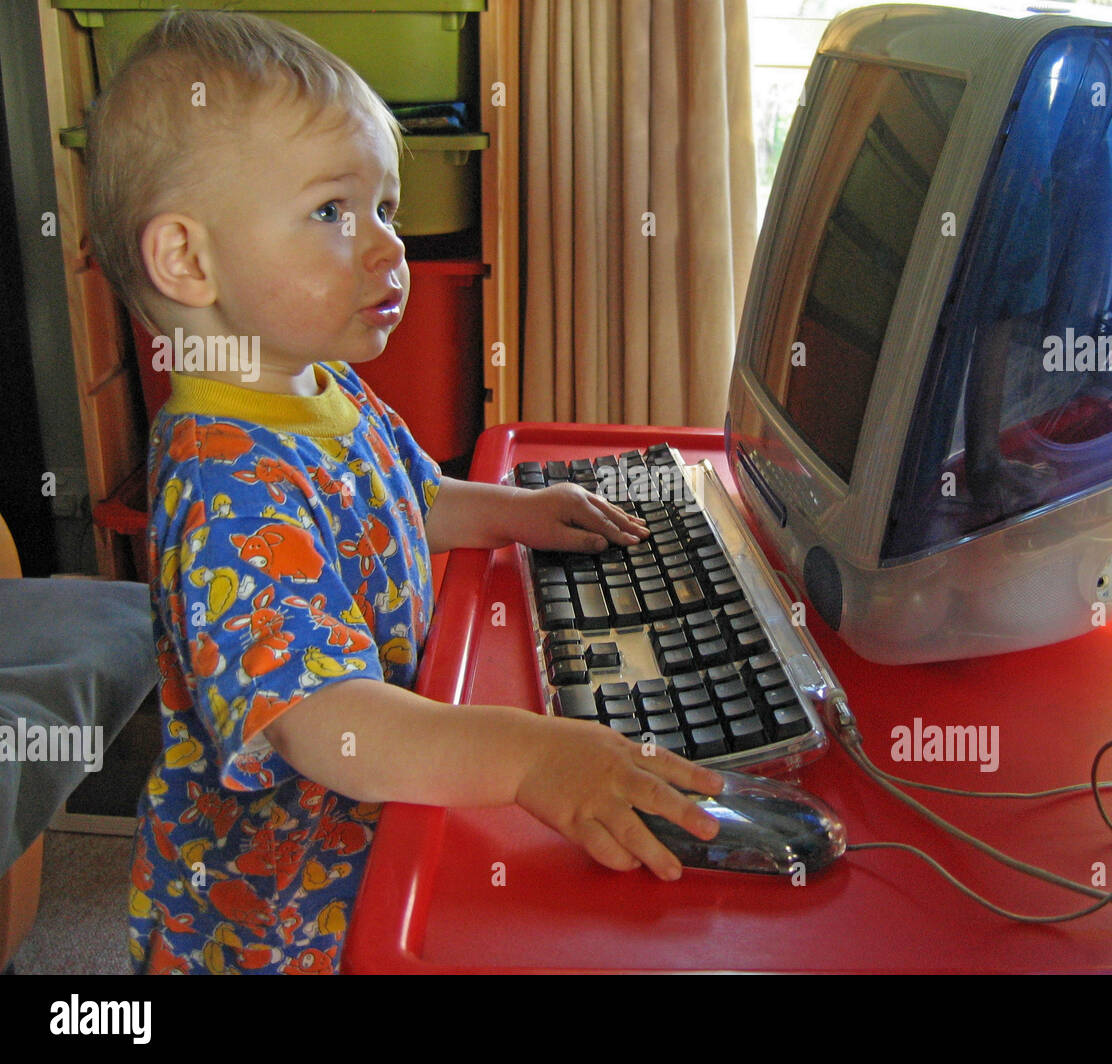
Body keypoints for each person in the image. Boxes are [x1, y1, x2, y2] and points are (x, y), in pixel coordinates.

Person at [86, 9, 721, 975]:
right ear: (187, 259)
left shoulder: (311, 384)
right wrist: (530, 757)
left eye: (385, 208)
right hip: (276, 918)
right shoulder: (224, 485)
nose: (391, 249)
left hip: (365, 851)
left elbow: (406, 504)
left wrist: (513, 511)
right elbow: (325, 719)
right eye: (333, 213)